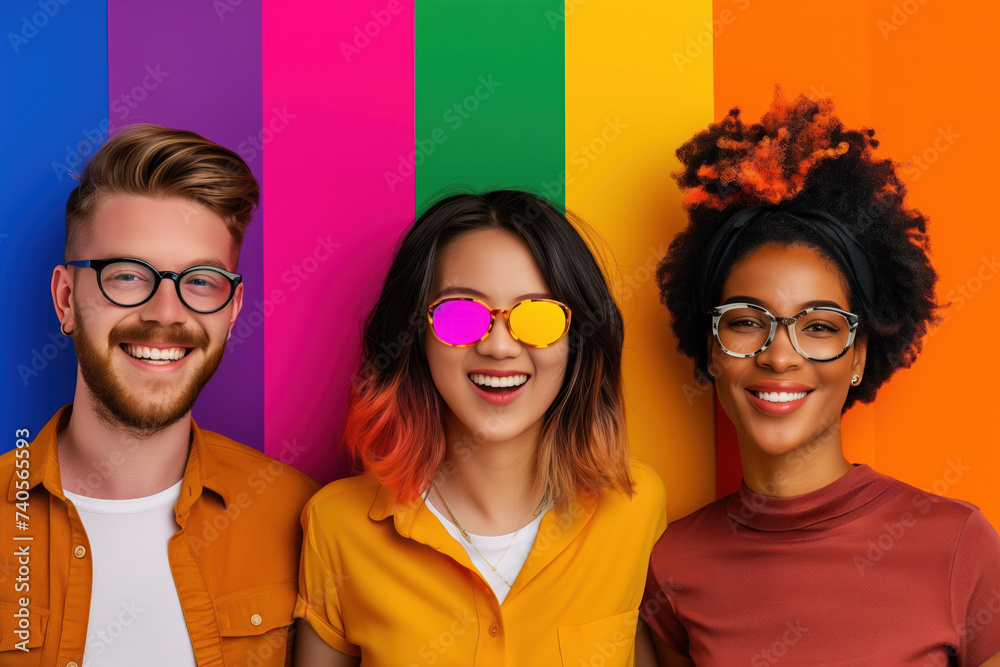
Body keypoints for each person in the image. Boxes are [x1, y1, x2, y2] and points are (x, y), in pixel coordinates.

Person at [637, 92, 1000, 666]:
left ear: (858, 358)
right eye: (746, 322)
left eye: (820, 327)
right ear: (712, 349)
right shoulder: (673, 565)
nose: (780, 357)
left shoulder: (959, 546)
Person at [293, 190, 667, 666]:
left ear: (577, 342)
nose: (499, 347)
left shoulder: (636, 508)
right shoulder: (336, 526)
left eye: (538, 316)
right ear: (416, 335)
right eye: (460, 314)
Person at [0, 125, 317, 666]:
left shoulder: (307, 520)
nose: (166, 313)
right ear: (66, 299)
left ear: (233, 310)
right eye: (126, 275)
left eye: (200, 281)